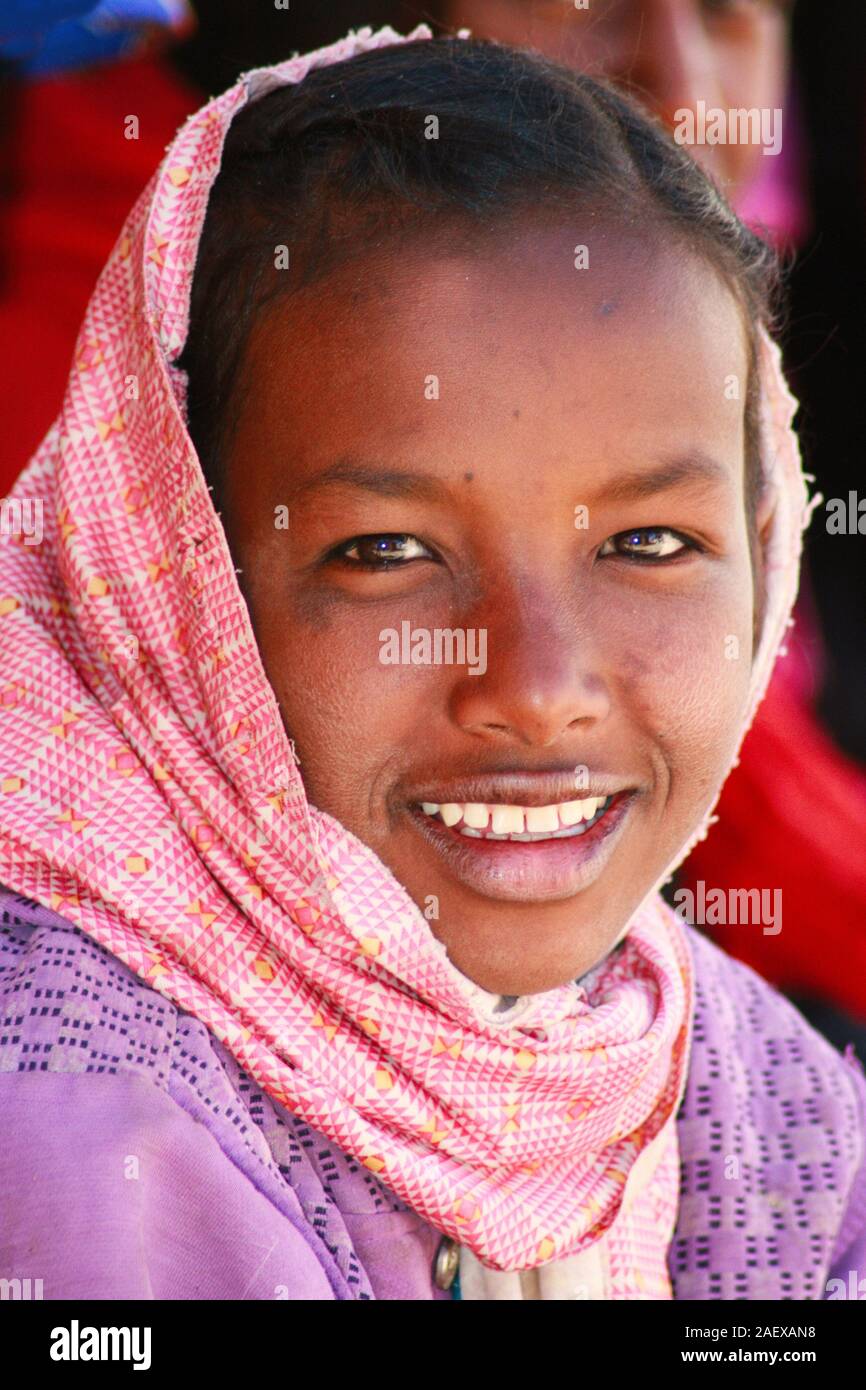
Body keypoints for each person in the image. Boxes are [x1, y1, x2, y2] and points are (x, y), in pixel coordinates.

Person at [0, 23, 864, 1301]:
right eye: (387, 549)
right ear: (175, 586)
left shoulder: (720, 1065)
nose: (533, 683)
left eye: (645, 540)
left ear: (763, 548)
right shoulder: (89, 1131)